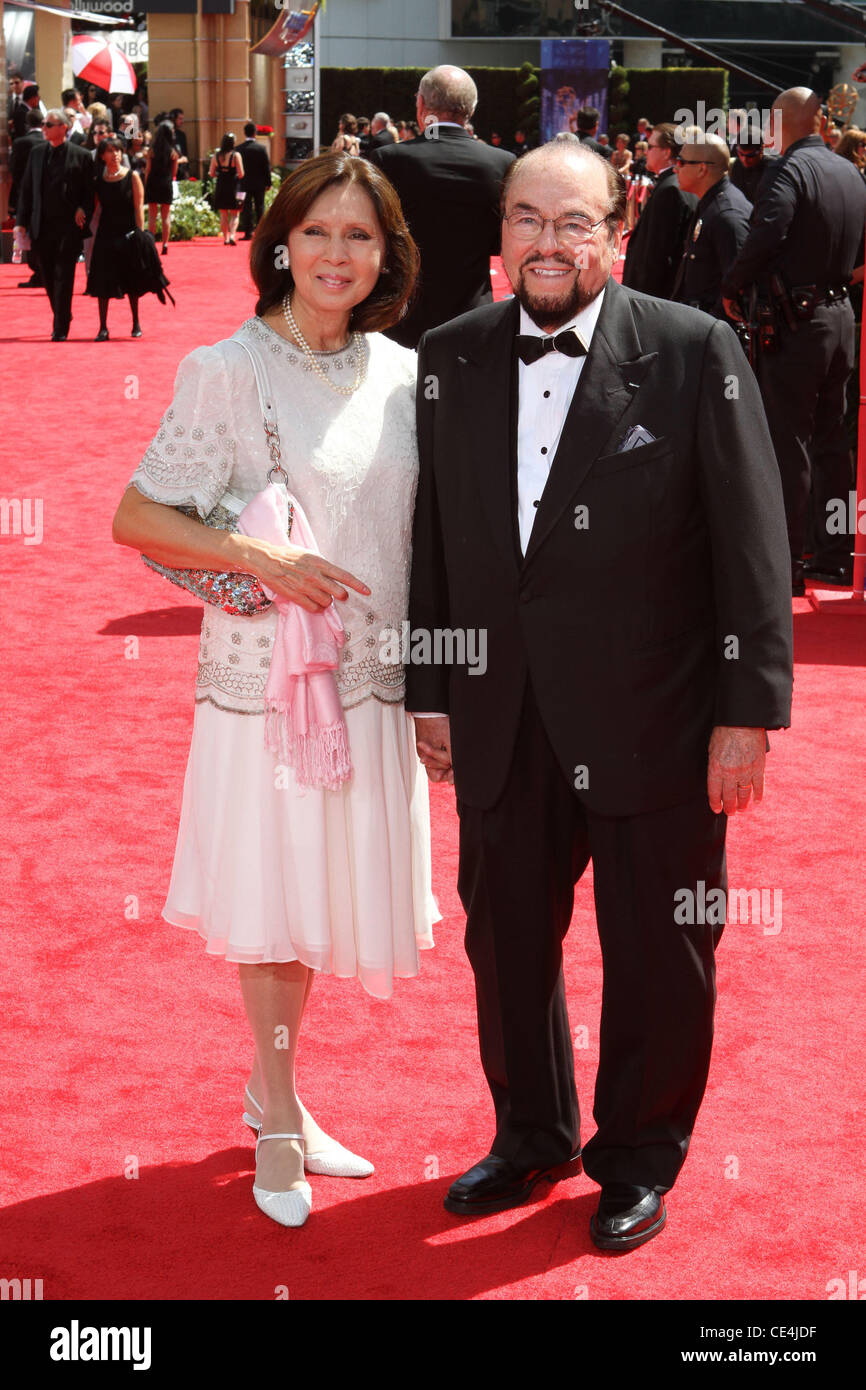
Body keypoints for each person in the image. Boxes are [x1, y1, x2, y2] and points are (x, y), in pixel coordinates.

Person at [406, 139, 793, 1251]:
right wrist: (430, 685)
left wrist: (745, 711)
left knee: (660, 949)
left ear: (615, 235)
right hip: (502, 712)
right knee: (505, 941)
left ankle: (635, 1156)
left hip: (656, 713)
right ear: (498, 235)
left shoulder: (690, 349)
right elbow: (435, 537)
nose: (547, 240)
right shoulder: (451, 354)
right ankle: (530, 1133)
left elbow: (751, 545)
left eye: (572, 221)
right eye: (526, 218)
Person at [111, 151, 436, 1229]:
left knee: (319, 909)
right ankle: (282, 1116)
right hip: (268, 699)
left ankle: (270, 1086)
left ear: (387, 255)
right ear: (279, 243)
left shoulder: (401, 374)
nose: (337, 255)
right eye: (318, 233)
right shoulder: (230, 367)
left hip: (370, 686)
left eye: (360, 237)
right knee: (276, 914)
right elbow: (142, 515)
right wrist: (264, 565)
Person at [722, 87, 866, 591]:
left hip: (798, 321)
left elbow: (768, 231)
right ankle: (834, 554)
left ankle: (786, 565)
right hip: (842, 317)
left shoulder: (788, 170)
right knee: (833, 441)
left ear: (783, 123)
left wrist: (733, 284)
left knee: (788, 441)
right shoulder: (850, 171)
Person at [369, 64, 514, 349]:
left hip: (400, 319)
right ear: (471, 109)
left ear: (421, 104)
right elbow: (505, 241)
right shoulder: (503, 163)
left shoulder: (388, 159)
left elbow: (369, 235)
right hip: (472, 317)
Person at [14, 108, 95, 341]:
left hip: (68, 227)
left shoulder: (81, 155)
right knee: (48, 275)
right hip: (42, 225)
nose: (44, 129)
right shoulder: (37, 153)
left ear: (63, 128)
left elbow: (89, 193)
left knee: (65, 275)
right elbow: (26, 190)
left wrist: (83, 209)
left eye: (49, 125)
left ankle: (60, 326)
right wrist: (21, 221)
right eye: (44, 124)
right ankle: (62, 312)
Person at [671, 128, 751, 319]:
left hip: (711, 331)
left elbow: (738, 290)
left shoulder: (727, 215)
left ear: (701, 169)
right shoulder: (711, 204)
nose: (675, 168)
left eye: (681, 162)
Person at [622, 122, 697, 299]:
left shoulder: (670, 189)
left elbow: (657, 254)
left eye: (651, 147)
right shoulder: (674, 183)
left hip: (654, 296)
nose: (646, 152)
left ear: (667, 152)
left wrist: (640, 298)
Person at [85, 136, 145, 340]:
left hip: (128, 233)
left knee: (131, 280)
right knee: (102, 281)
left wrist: (141, 234)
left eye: (118, 150)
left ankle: (136, 322)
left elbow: (139, 208)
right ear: (102, 156)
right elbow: (92, 207)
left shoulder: (133, 177)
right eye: (110, 151)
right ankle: (103, 327)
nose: (115, 154)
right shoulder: (98, 180)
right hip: (105, 234)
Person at [9, 108, 45, 287]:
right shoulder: (48, 141)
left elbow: (14, 170)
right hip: (48, 197)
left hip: (27, 197)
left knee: (30, 234)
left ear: (27, 123)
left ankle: (38, 272)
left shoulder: (21, 143)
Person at [144, 119, 179, 255]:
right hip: (166, 182)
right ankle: (165, 244)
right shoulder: (173, 152)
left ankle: (152, 243)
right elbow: (175, 173)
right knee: (166, 216)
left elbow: (148, 169)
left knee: (152, 216)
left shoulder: (152, 151)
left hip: (153, 182)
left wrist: (147, 183)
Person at [729, 114, 779, 206]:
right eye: (741, 154)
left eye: (751, 156)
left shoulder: (773, 168)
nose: (745, 160)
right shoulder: (736, 165)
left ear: (762, 149)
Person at [237, 121, 271, 239]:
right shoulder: (261, 148)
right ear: (255, 133)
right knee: (260, 207)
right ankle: (261, 232)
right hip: (259, 183)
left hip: (244, 183)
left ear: (244, 133)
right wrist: (268, 182)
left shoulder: (239, 149)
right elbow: (266, 166)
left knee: (246, 208)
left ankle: (248, 233)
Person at [209, 132, 244, 245]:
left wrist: (220, 174)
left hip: (221, 185)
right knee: (235, 213)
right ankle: (233, 235)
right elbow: (241, 173)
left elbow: (211, 173)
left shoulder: (216, 156)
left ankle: (225, 238)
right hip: (233, 185)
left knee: (223, 214)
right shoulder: (235, 155)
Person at [169, 109, 189, 179]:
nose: (182, 121)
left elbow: (185, 153)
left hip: (181, 171)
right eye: (180, 119)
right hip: (171, 171)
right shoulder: (167, 136)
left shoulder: (181, 135)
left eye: (182, 119)